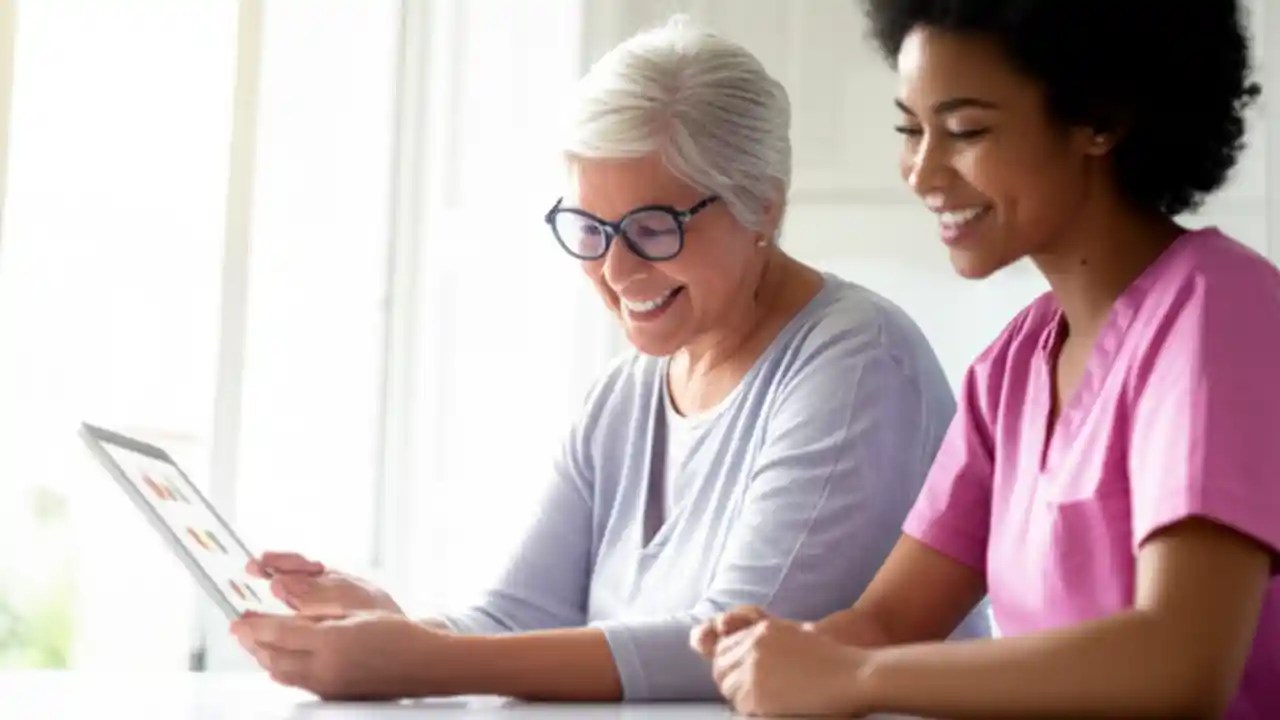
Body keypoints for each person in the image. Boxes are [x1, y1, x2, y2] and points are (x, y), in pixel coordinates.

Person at [230, 17, 976, 702]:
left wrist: (425, 659)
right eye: (590, 228)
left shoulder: (855, 363)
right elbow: (520, 617)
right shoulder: (624, 396)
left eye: (654, 228)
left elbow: (743, 646)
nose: (617, 272)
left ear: (763, 207)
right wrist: (394, 628)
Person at [693, 1, 1280, 718]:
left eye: (965, 131)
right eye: (911, 129)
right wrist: (791, 651)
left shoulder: (1220, 313)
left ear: (1100, 118)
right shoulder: (1012, 367)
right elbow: (888, 623)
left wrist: (859, 678)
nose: (921, 170)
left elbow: (1179, 664)